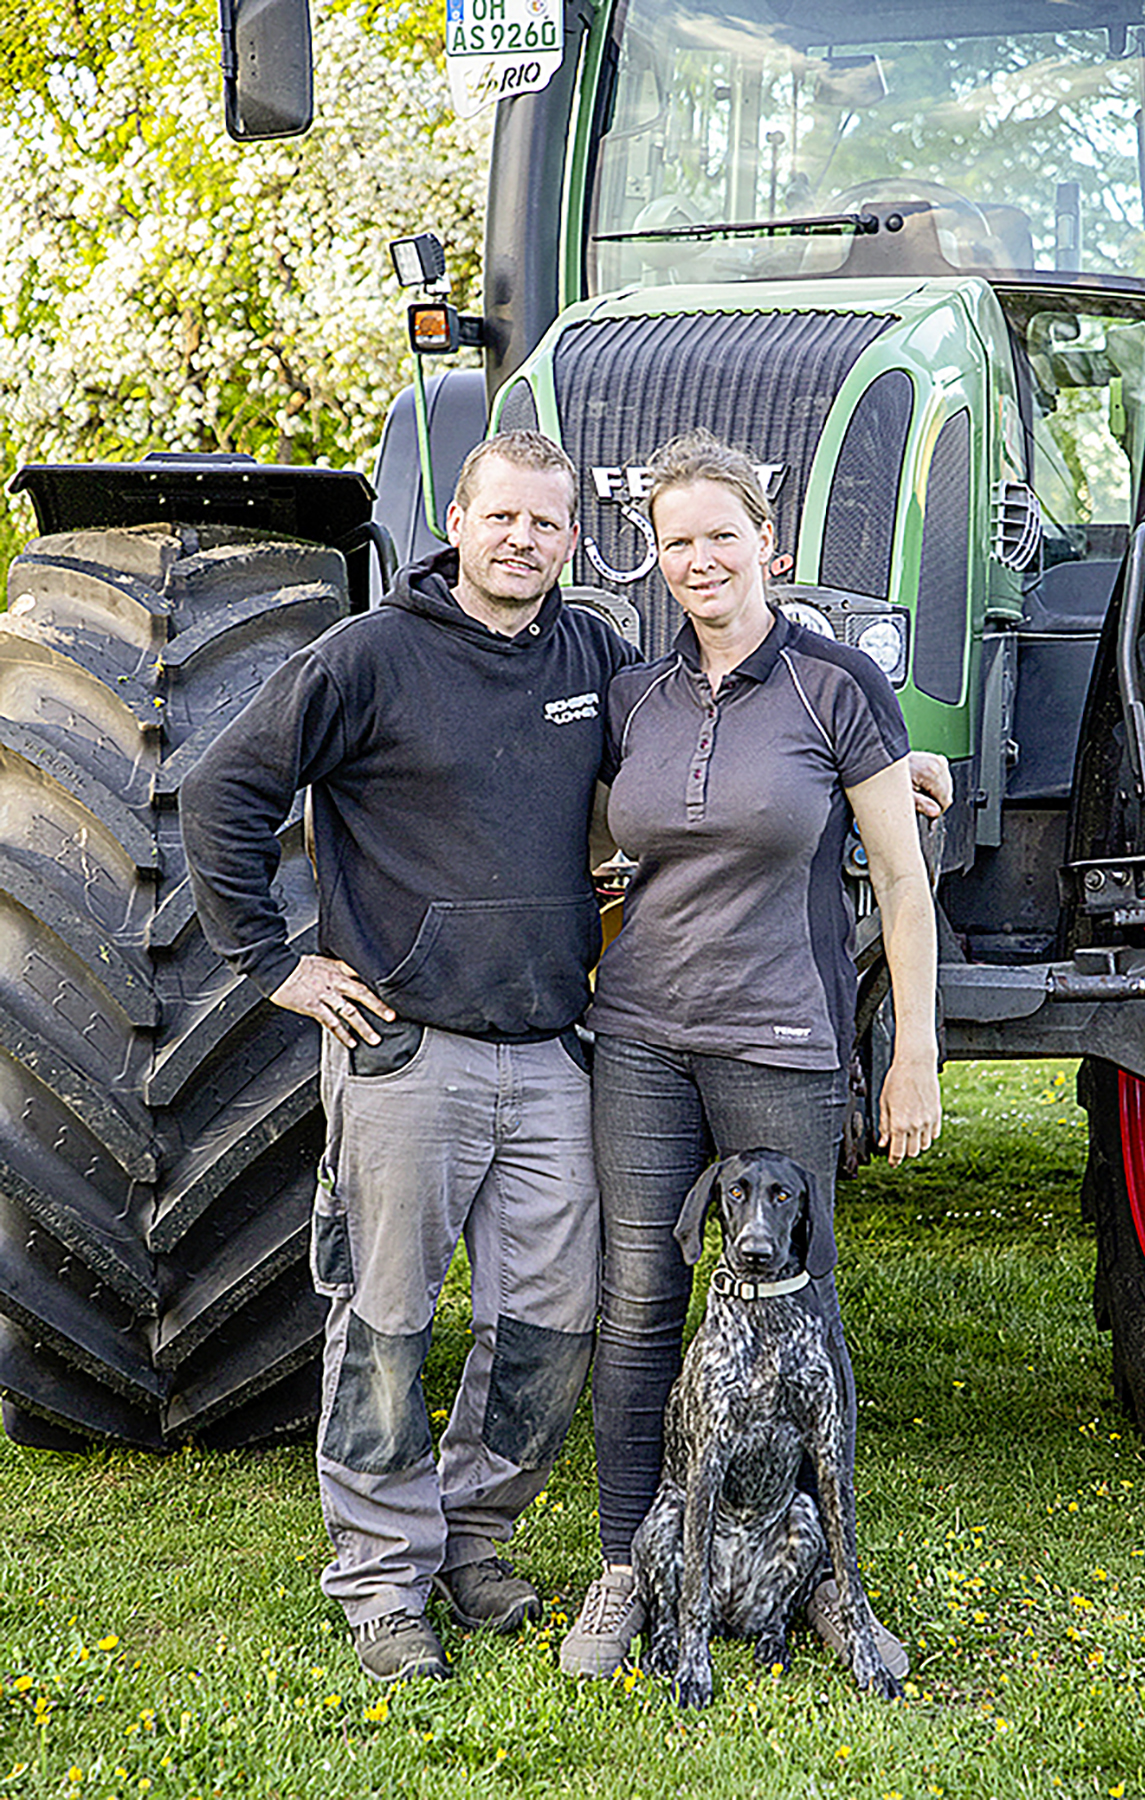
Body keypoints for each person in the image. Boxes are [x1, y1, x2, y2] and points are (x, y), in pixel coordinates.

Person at [179, 430, 640, 1685]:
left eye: (546, 524)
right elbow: (226, 788)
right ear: (459, 517)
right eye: (502, 518)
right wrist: (272, 961)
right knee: (383, 1328)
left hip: (551, 1051)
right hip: (405, 1054)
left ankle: (470, 1538)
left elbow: (715, 729)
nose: (522, 541)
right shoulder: (372, 654)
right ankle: (383, 1581)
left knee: (548, 1328)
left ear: (572, 540)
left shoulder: (594, 654)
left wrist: (879, 754)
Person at [559, 428, 943, 1682]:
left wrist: (915, 1056)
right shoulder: (635, 696)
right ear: (650, 557)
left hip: (782, 1040)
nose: (698, 559)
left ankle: (832, 1580)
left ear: (767, 543)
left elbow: (899, 877)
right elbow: (576, 836)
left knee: (799, 1304)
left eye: (721, 535)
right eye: (674, 541)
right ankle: (629, 1568)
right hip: (644, 1039)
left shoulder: (837, 688)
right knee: (637, 1298)